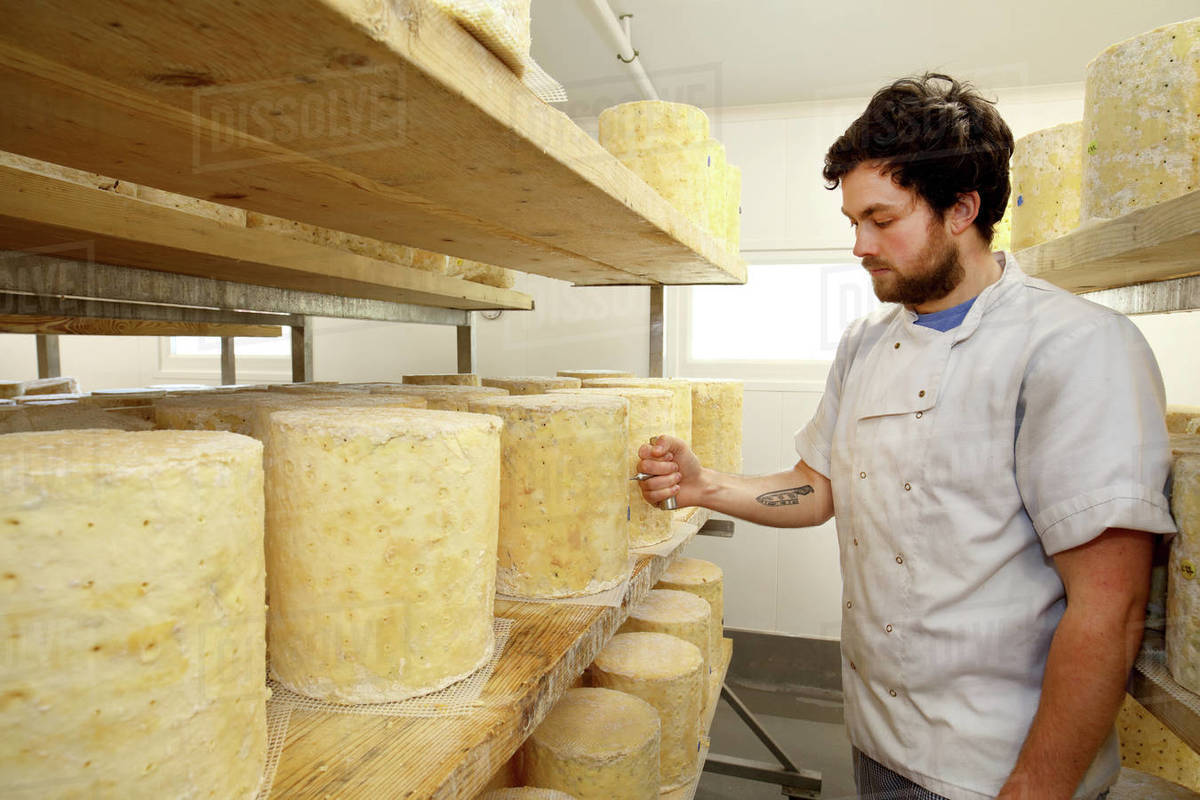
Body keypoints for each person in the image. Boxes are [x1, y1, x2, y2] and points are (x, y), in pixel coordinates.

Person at [636, 74, 1177, 800]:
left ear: (962, 209)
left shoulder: (1074, 347)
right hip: (877, 739)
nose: (860, 245)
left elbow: (1110, 610)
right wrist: (708, 487)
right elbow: (819, 486)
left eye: (881, 219)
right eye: (852, 220)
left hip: (995, 767)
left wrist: (1035, 790)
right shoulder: (866, 343)